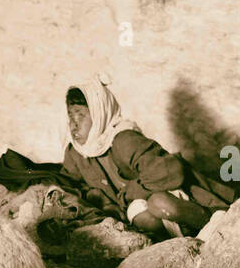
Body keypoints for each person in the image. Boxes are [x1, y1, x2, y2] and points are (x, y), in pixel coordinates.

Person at [60, 76, 231, 235]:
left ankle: (214, 231)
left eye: (80, 115)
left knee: (159, 203)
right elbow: (71, 185)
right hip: (141, 213)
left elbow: (170, 172)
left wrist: (129, 194)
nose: (73, 125)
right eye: (70, 116)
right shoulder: (76, 153)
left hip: (178, 199)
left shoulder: (123, 139)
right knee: (139, 215)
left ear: (100, 114)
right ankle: (175, 243)